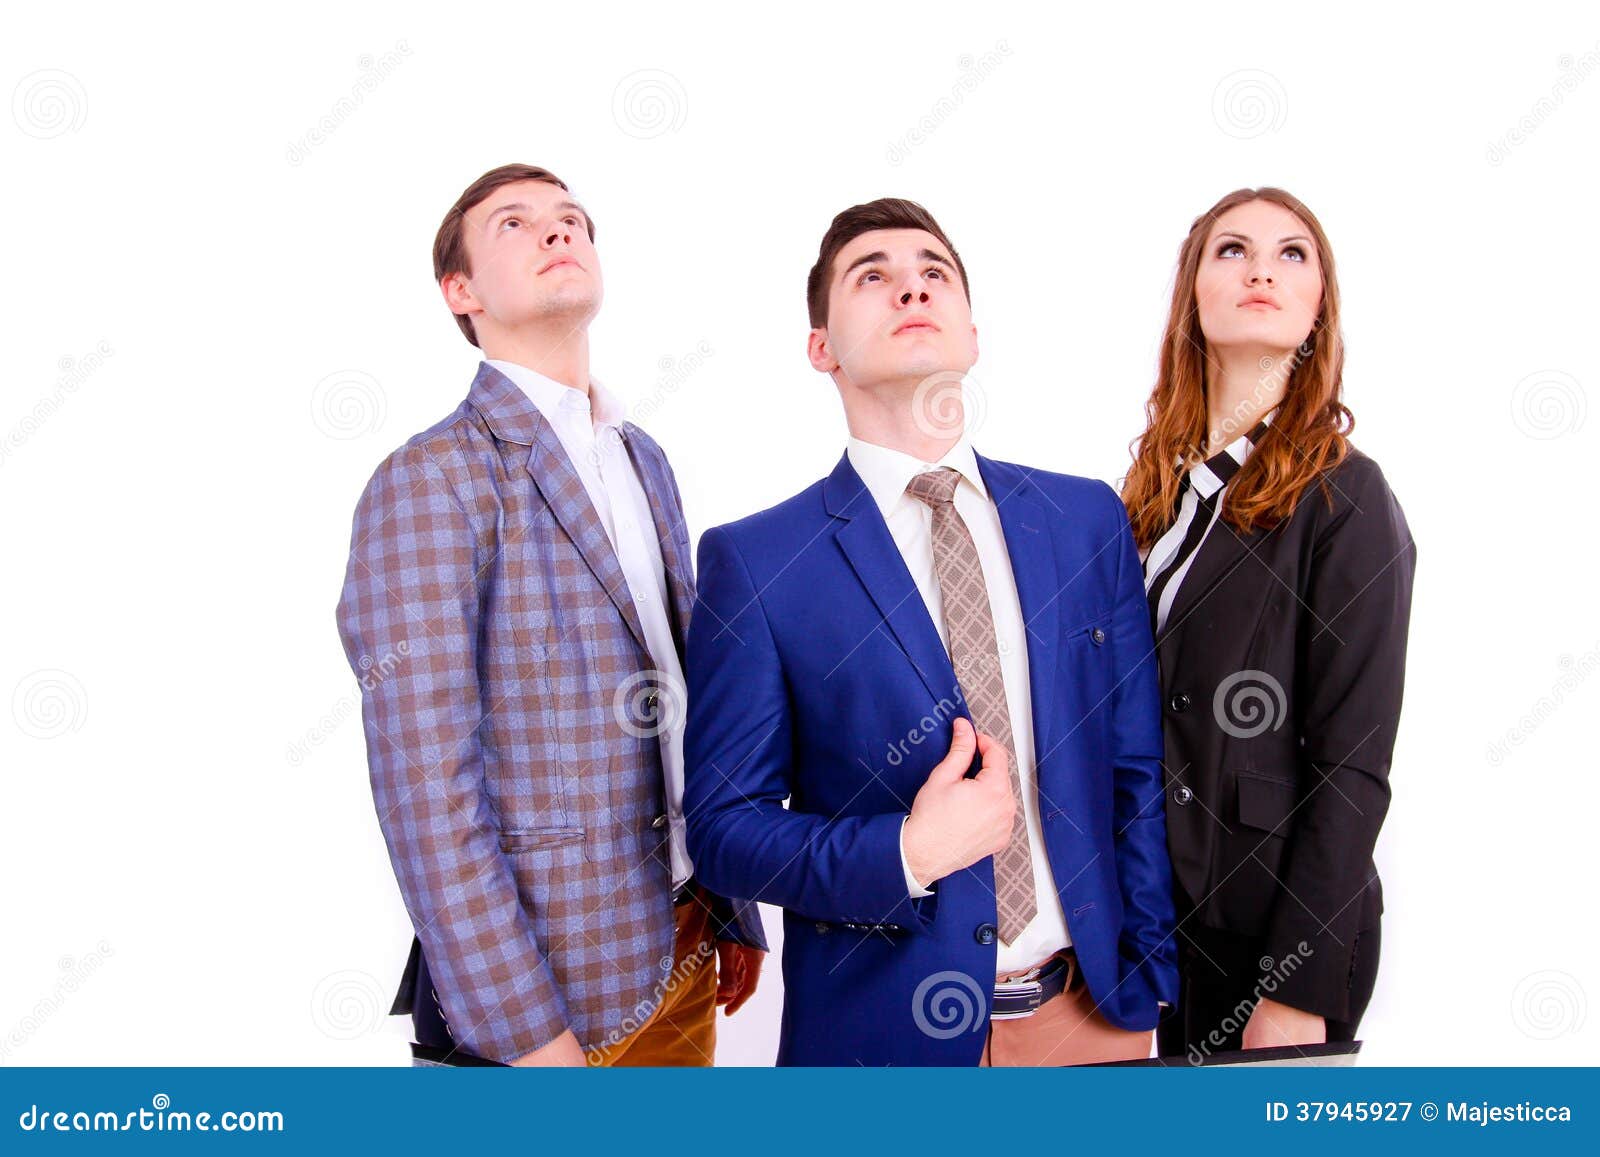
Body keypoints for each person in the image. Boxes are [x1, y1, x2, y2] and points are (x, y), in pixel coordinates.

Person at [683, 198, 1177, 1066]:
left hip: (1092, 1021)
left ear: (972, 334)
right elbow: (726, 831)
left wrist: (1149, 976)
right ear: (821, 348)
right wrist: (908, 852)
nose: (910, 286)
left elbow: (1132, 770)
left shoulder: (1083, 520)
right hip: (883, 1041)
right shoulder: (757, 563)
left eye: (933, 272)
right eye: (872, 276)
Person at [335, 163, 765, 1067]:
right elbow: (425, 795)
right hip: (546, 1001)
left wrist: (730, 904)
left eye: (573, 220)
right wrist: (528, 1036)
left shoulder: (644, 458)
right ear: (461, 292)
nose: (558, 231)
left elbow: (683, 699)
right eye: (516, 225)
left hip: (682, 947)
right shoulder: (429, 480)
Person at [1121, 187, 1416, 1060]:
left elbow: (1353, 765)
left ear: (1319, 306)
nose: (1260, 269)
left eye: (1293, 254)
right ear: (1193, 297)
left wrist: (1294, 982)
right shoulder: (1156, 501)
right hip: (1156, 924)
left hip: (1270, 934)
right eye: (1232, 250)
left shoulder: (1347, 496)